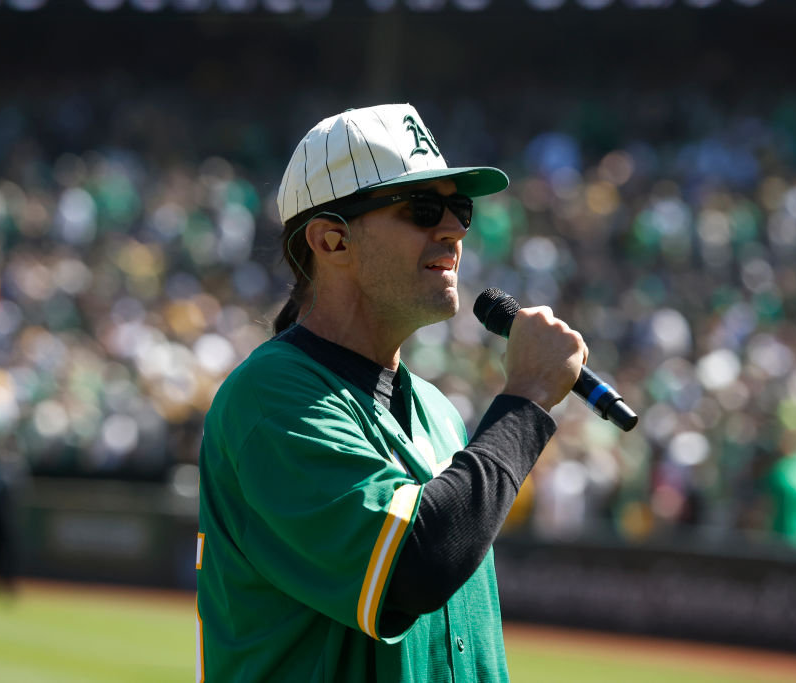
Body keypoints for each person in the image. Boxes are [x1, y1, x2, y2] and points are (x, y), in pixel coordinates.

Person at [195, 103, 588, 682]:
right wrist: (525, 400)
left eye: (460, 208)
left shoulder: (435, 409)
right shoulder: (271, 396)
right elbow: (411, 569)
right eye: (423, 208)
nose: (453, 229)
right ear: (331, 242)